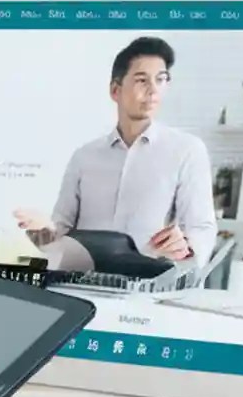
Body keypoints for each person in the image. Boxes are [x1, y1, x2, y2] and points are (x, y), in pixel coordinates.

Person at [13, 37, 218, 270]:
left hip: (146, 285)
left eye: (160, 80)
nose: (153, 90)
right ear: (115, 90)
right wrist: (44, 231)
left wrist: (186, 246)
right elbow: (61, 233)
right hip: (81, 281)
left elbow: (202, 226)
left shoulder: (187, 150)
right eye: (142, 80)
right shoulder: (84, 157)